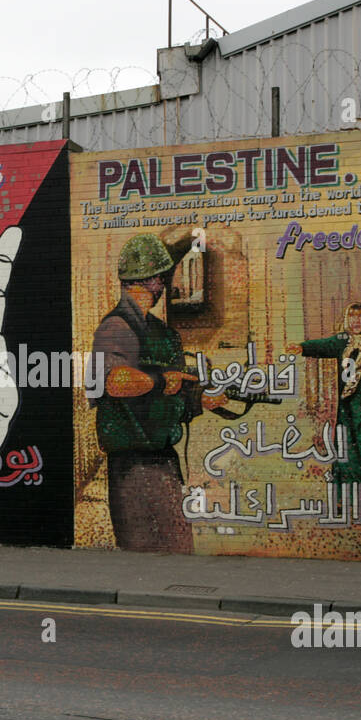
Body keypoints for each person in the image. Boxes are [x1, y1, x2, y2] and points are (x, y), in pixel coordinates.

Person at [90, 233, 224, 552]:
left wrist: (202, 399)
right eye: (163, 277)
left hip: (162, 460)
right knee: (150, 552)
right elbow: (115, 382)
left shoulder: (159, 333)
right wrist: (163, 380)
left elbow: (169, 393)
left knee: (176, 548)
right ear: (156, 280)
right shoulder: (117, 327)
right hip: (133, 467)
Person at [287, 302, 361, 529]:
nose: (356, 322)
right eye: (352, 317)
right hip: (348, 410)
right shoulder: (343, 341)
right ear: (348, 320)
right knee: (344, 452)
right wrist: (302, 347)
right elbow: (324, 345)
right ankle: (340, 501)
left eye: (360, 318)